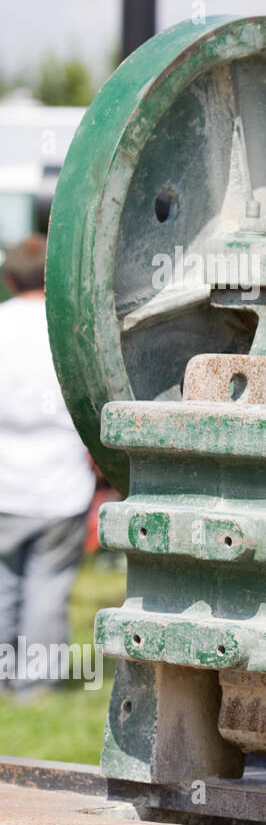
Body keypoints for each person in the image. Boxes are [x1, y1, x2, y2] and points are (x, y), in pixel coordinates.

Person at [0, 235, 95, 699]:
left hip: (5, 479)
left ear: (7, 278)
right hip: (60, 478)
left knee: (3, 585)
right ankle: (34, 687)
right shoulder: (67, 328)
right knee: (48, 587)